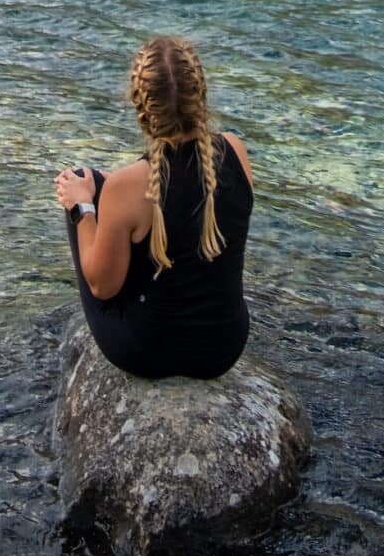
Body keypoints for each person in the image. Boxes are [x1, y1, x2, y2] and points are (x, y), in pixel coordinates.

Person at [54, 34, 254, 380]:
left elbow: (103, 287)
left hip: (148, 351)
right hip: (223, 349)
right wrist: (105, 187)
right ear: (201, 96)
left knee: (79, 181)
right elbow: (183, 204)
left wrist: (82, 207)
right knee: (104, 189)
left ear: (140, 104)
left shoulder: (128, 185)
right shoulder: (235, 151)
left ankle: (82, 201)